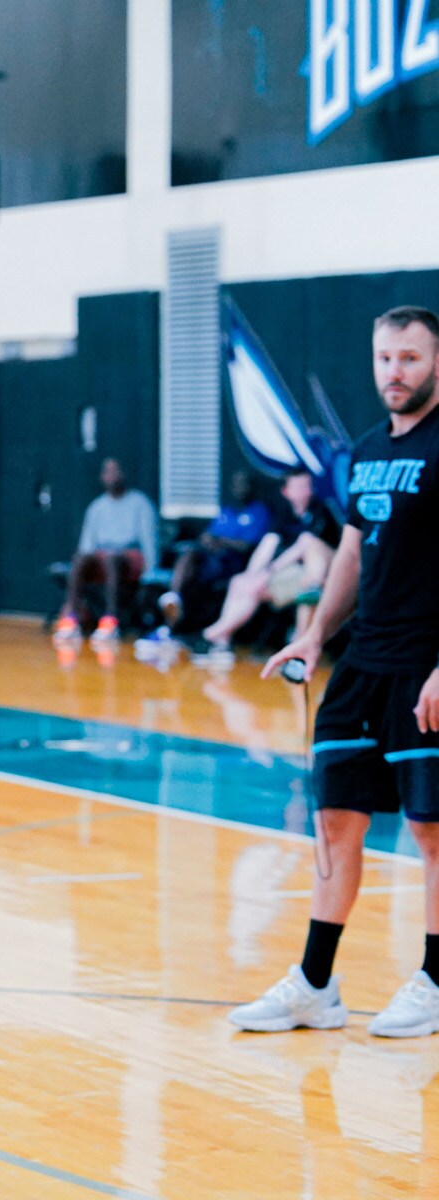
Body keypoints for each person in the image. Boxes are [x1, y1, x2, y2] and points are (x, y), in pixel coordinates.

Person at [232, 305, 439, 1038]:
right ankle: (316, 985)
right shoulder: (371, 448)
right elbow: (351, 553)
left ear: (435, 361)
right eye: (385, 359)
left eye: (410, 358)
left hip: (424, 666)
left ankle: (436, 978)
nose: (395, 372)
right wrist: (316, 635)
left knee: (432, 831)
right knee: (335, 820)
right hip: (363, 664)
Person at [190, 469, 339, 667]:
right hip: (291, 576)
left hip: (322, 578)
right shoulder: (284, 514)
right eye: (300, 486)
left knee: (302, 586)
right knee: (240, 582)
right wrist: (253, 574)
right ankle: (221, 641)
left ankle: (211, 634)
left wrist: (268, 572)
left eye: (308, 486)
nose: (307, 490)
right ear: (286, 491)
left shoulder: (321, 511)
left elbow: (305, 546)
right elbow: (267, 545)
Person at [156, 470, 272, 637]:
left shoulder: (259, 512)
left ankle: (176, 622)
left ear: (252, 487)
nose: (241, 488)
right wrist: (211, 541)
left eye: (244, 484)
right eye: (237, 484)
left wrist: (221, 541)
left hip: (234, 563)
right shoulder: (226, 512)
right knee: (190, 555)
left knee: (195, 573)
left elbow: (248, 546)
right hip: (210, 558)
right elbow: (207, 536)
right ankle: (173, 599)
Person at [55, 457, 157, 643]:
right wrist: (85, 562)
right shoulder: (96, 507)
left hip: (130, 556)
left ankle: (110, 620)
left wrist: (151, 573)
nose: (112, 476)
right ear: (102, 477)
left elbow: (149, 541)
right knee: (81, 559)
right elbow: (86, 546)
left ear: (123, 474)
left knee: (112, 559)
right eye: (107, 472)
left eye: (115, 471)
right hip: (103, 555)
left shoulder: (141, 503)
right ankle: (71, 616)